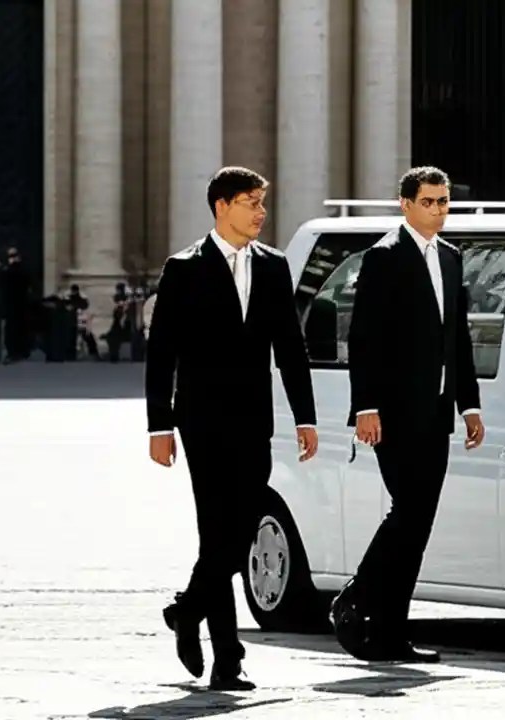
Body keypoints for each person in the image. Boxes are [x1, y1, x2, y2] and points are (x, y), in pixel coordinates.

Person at [145, 166, 318, 690]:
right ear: (221, 206)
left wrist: (305, 415)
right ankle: (228, 661)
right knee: (216, 530)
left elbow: (290, 346)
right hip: (200, 420)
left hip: (254, 421)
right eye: (250, 202)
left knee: (238, 530)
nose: (261, 212)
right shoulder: (183, 268)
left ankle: (186, 609)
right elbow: (161, 353)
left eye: (263, 202)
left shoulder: (273, 266)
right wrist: (159, 426)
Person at [333, 166, 485, 663]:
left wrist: (470, 403)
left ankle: (390, 633)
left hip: (437, 411)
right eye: (429, 201)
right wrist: (365, 406)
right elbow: (364, 337)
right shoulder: (384, 257)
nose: (439, 210)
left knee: (419, 523)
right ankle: (356, 597)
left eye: (444, 202)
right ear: (405, 204)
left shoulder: (451, 258)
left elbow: (456, 337)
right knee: (408, 512)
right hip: (392, 413)